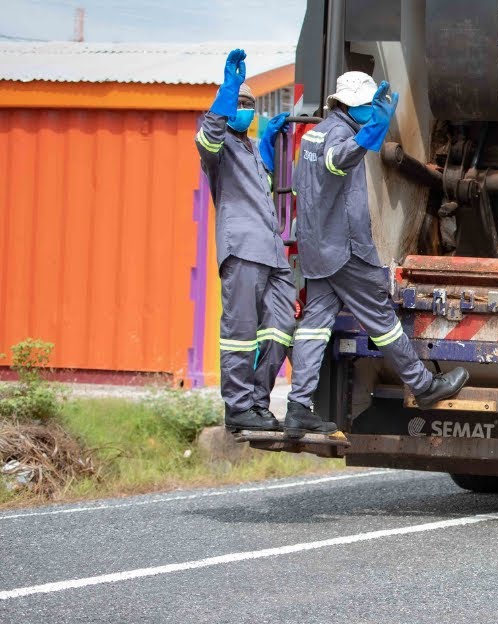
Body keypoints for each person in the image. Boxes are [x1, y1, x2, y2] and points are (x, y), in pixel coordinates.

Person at [285, 71, 468, 439]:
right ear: (352, 104)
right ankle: (423, 385)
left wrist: (371, 131)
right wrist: (371, 133)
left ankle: (297, 407)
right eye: (369, 105)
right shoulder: (338, 136)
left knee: (314, 327)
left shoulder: (314, 134)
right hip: (346, 250)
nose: (372, 111)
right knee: (382, 321)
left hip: (318, 250)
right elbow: (341, 160)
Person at [195, 48, 294, 432]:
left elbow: (264, 180)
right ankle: (237, 407)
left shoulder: (251, 150)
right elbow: (210, 136)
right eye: (240, 103)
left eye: (249, 104)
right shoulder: (216, 151)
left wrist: (269, 142)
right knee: (240, 333)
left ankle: (256, 403)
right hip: (242, 249)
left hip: (273, 252)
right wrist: (226, 92)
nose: (246, 109)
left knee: (280, 327)